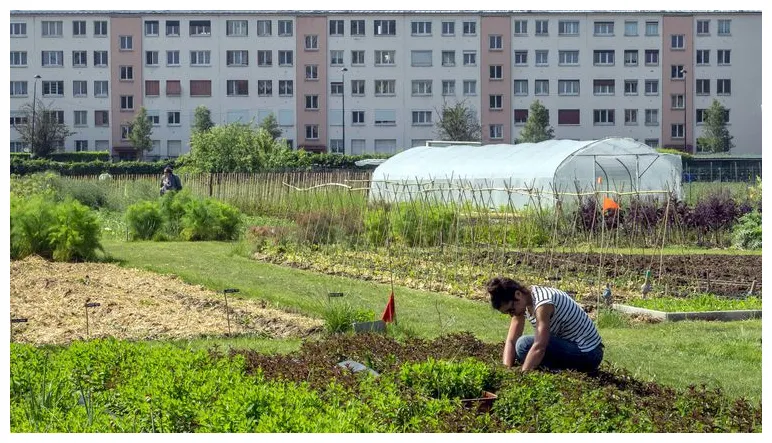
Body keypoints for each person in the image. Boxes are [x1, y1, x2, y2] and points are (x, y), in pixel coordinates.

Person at [486, 276, 603, 373]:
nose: (512, 315)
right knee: (520, 349)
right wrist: (506, 370)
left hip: (589, 353)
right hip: (569, 346)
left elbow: (540, 347)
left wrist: (521, 377)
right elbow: (511, 340)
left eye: (511, 310)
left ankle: (557, 371)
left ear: (518, 294)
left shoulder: (543, 304)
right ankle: (555, 370)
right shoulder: (524, 301)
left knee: (524, 345)